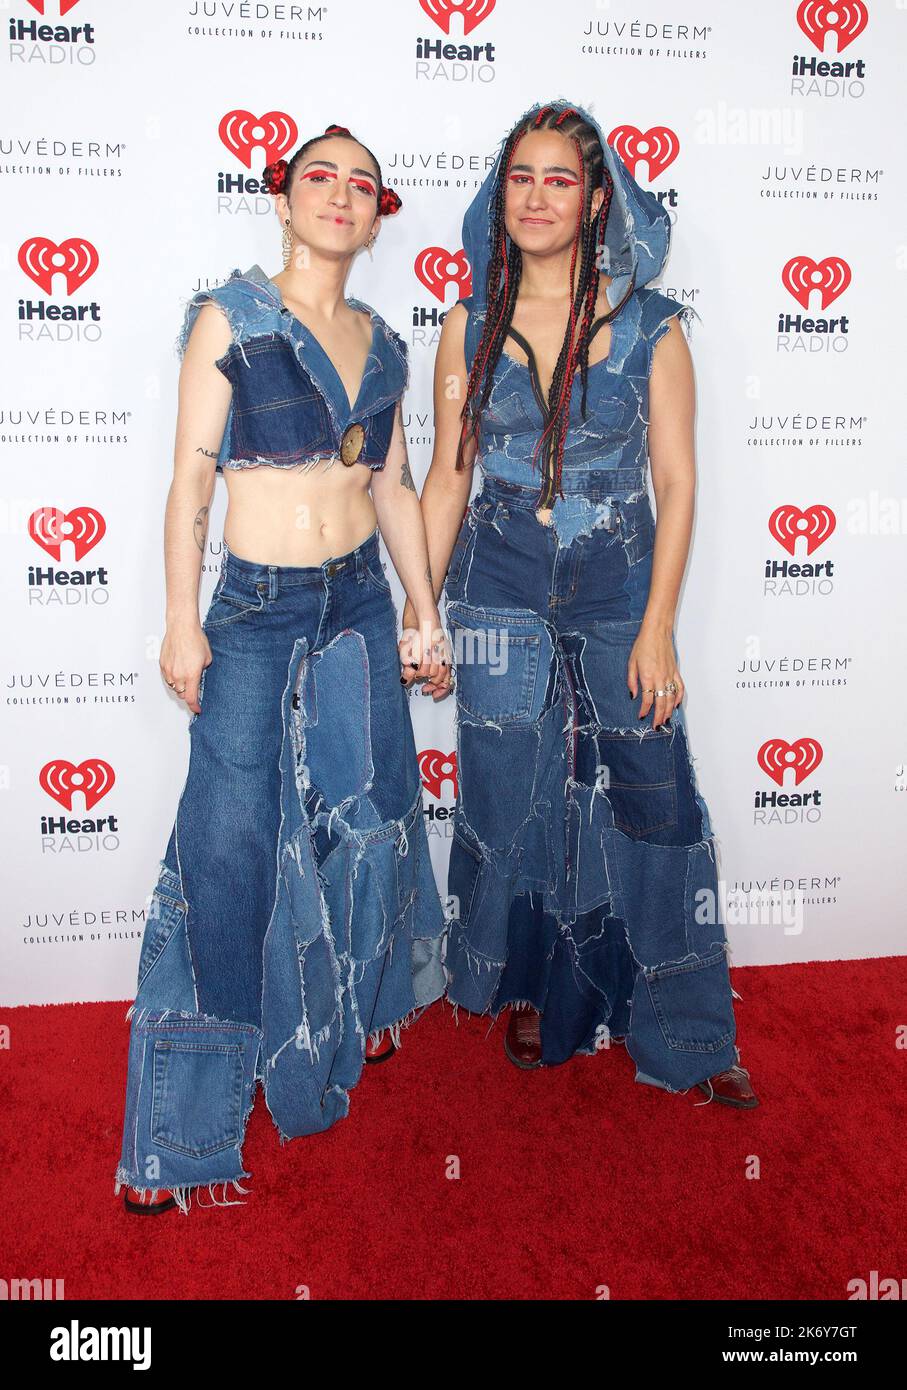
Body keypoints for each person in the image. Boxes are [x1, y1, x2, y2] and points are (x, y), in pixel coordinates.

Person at [115, 123, 451, 1216]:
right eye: (322, 177)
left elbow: (393, 491)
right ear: (282, 194)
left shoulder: (385, 342)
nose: (341, 197)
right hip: (255, 610)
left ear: (375, 212)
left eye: (362, 185)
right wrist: (181, 616)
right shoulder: (233, 313)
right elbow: (189, 485)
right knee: (225, 846)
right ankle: (179, 1133)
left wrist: (423, 609)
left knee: (367, 818)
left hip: (356, 601)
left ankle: (342, 1027)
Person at [406, 101, 758, 1108]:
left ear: (598, 198)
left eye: (560, 179)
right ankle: (534, 987)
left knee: (653, 796)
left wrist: (657, 626)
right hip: (498, 583)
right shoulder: (466, 326)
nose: (537, 196)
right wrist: (422, 611)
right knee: (513, 788)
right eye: (520, 176)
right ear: (498, 191)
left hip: (618, 585)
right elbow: (445, 482)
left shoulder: (653, 325)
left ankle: (684, 1026)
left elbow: (678, 482)